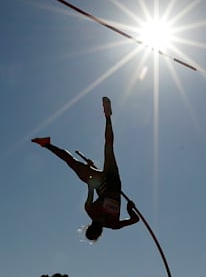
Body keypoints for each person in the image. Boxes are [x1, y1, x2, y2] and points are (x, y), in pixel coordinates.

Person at [33, 96, 140, 240]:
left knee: (105, 150)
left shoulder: (111, 223)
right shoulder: (95, 214)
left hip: (110, 183)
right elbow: (90, 188)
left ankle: (48, 144)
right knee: (83, 158)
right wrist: (129, 209)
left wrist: (130, 208)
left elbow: (135, 219)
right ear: (90, 228)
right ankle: (48, 144)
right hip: (105, 182)